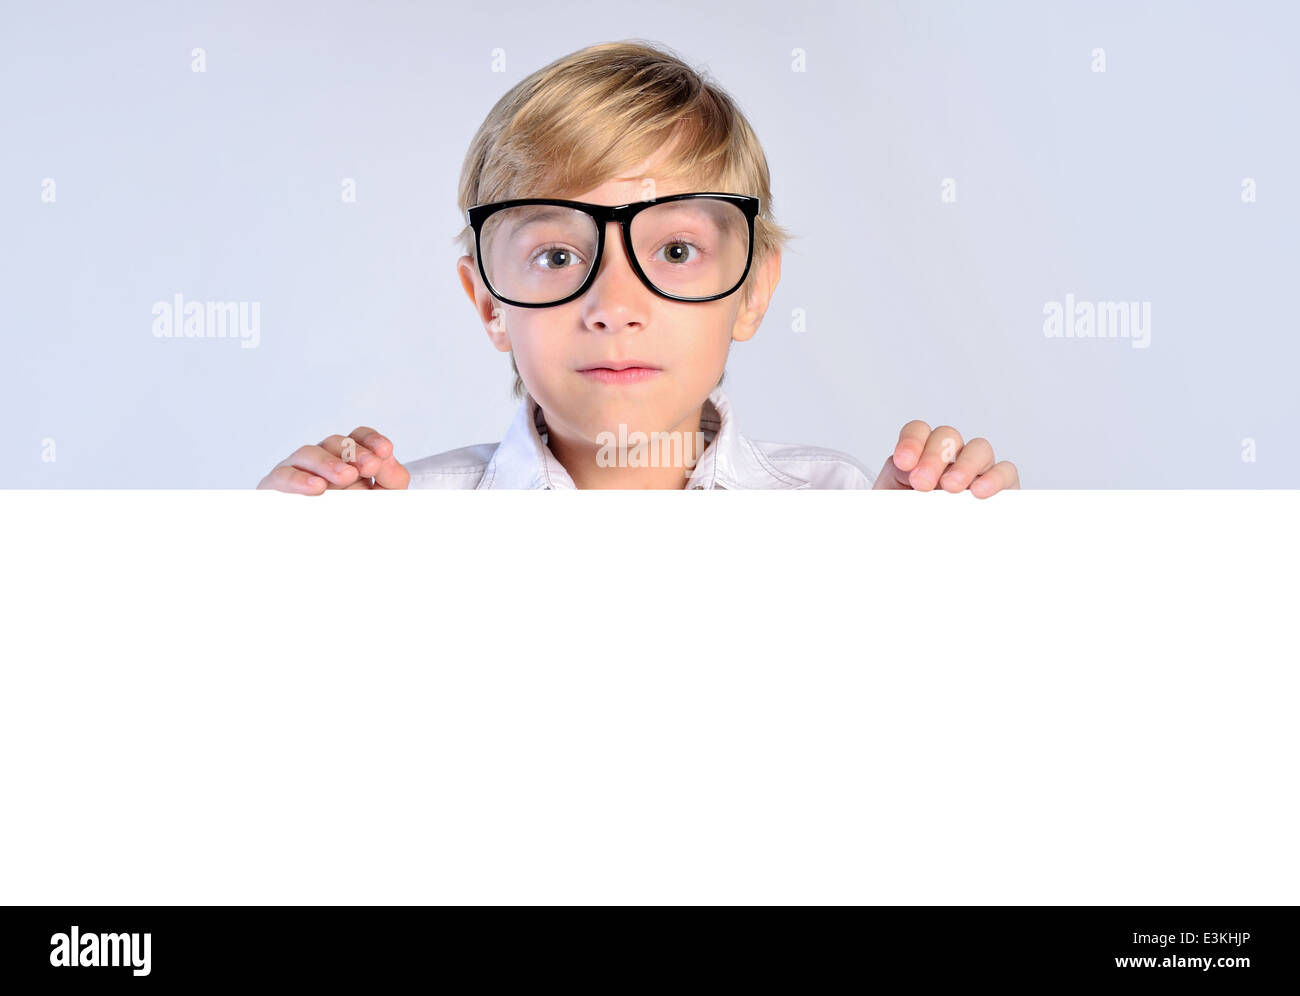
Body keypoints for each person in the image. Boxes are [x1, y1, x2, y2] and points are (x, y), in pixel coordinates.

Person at [258, 41, 1019, 495]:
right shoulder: (400, 522)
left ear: (752, 291)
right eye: (557, 256)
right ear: (491, 304)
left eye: (676, 250)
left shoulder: (840, 505)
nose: (614, 305)